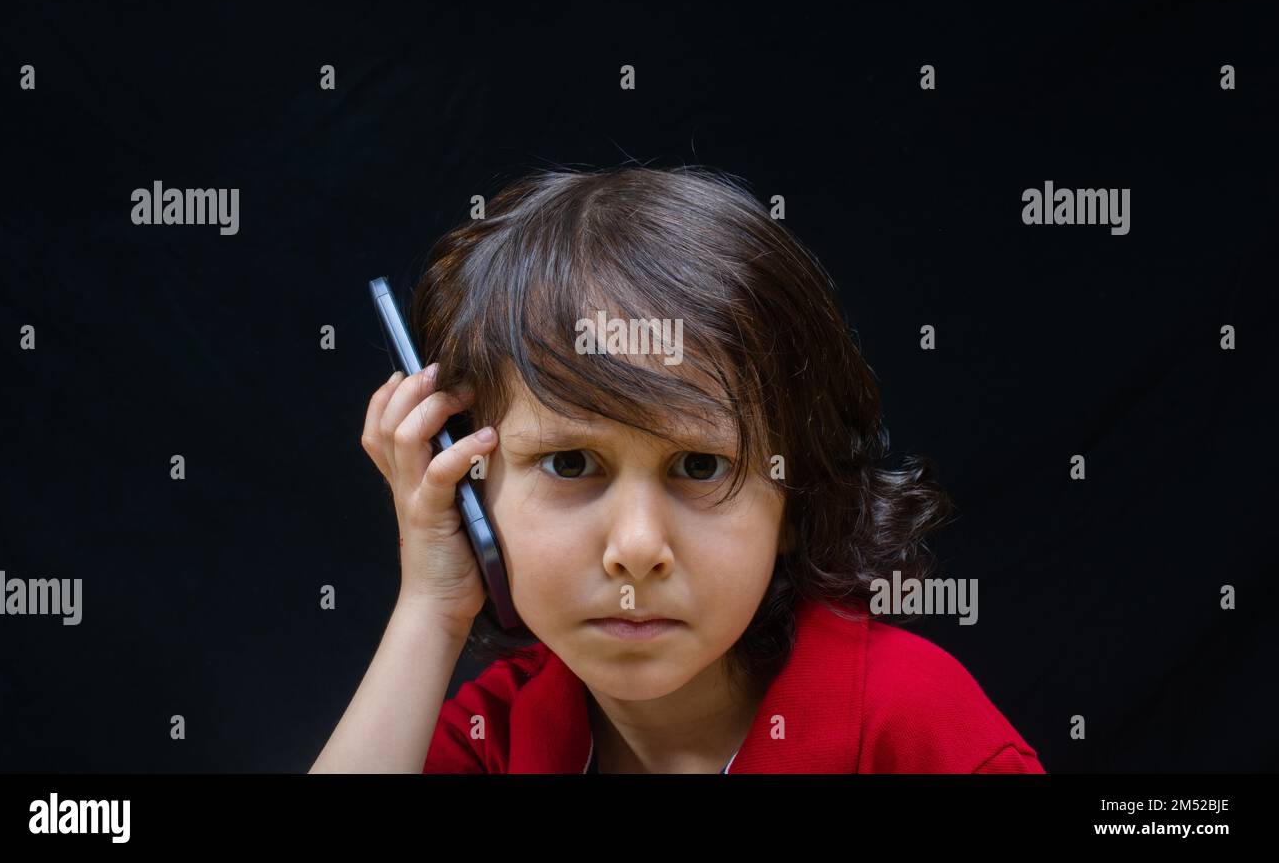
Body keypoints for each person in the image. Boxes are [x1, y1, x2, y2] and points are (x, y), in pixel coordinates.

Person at [310, 164, 1044, 774]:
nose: (635, 547)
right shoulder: (500, 737)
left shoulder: (913, 726)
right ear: (470, 487)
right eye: (571, 463)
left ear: (795, 498)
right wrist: (430, 608)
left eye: (699, 464)